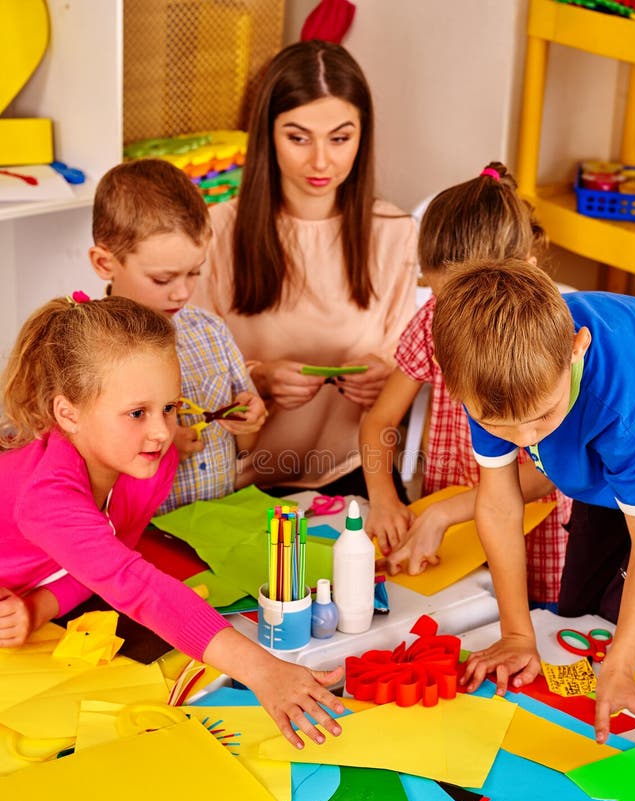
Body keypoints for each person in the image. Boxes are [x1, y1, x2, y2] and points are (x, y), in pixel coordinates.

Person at [0, 295, 343, 747]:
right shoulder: (47, 496)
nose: (163, 432)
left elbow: (105, 565)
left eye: (168, 407)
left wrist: (38, 606)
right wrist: (262, 670)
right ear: (68, 414)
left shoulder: (150, 466)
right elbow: (135, 584)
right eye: (137, 413)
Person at [431, 257, 635, 754]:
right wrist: (517, 633)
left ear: (576, 349)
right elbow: (499, 506)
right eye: (502, 425)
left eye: (542, 416)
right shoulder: (486, 371)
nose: (524, 438)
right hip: (605, 472)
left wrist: (621, 664)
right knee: (581, 607)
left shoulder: (621, 406)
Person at [192, 40, 417, 496]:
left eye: (340, 138)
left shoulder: (395, 232)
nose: (321, 161)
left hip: (357, 473)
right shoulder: (216, 231)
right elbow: (189, 374)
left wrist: (389, 381)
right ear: (267, 135)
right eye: (298, 137)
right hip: (237, 483)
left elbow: (408, 362)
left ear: (362, 135)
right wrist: (257, 379)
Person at [361, 164, 571, 609]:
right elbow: (380, 418)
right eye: (442, 298)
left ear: (524, 274)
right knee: (459, 618)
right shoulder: (430, 323)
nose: (451, 316)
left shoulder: (551, 335)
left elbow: (544, 473)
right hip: (455, 527)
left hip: (533, 526)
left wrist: (444, 512)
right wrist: (382, 497)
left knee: (532, 629)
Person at [89, 158, 267, 513]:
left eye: (194, 273)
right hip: (140, 539)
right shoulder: (86, 349)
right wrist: (161, 450)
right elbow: (75, 473)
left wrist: (250, 420)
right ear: (105, 264)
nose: (181, 293)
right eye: (162, 279)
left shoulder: (210, 331)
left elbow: (245, 443)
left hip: (219, 523)